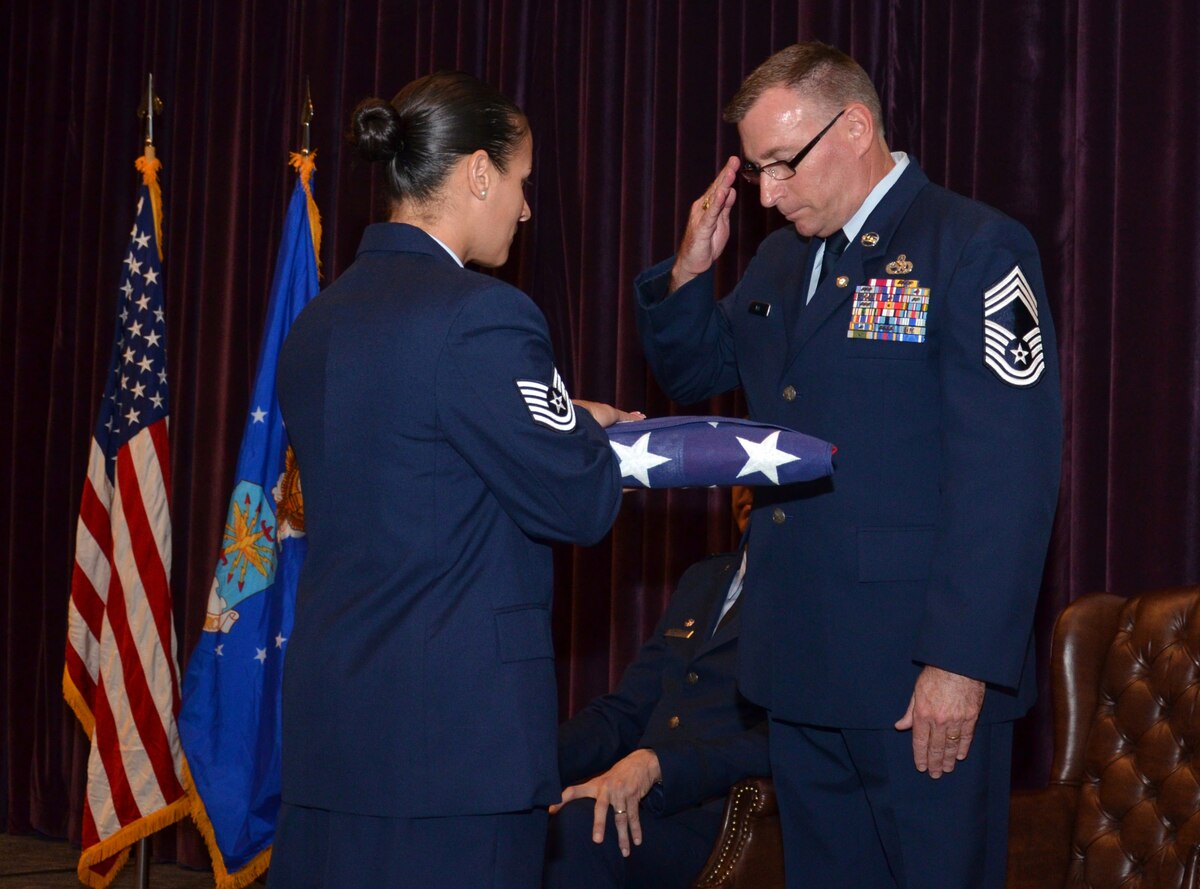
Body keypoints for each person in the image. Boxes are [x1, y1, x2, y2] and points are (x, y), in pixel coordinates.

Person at [633, 42, 1062, 889]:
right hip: (798, 668)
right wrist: (687, 272)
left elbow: (1009, 476)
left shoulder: (971, 247)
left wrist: (962, 662)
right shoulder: (783, 258)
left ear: (856, 126)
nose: (767, 192)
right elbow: (697, 373)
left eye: (781, 164)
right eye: (756, 170)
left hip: (917, 679)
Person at [273, 72, 635, 889]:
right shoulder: (484, 315)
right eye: (522, 182)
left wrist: (555, 419)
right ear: (478, 172)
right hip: (452, 748)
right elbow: (578, 501)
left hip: (336, 727)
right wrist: (582, 431)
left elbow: (417, 452)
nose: (526, 208)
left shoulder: (318, 319)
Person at [544, 486, 767, 889]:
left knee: (579, 830)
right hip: (646, 808)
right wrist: (528, 762)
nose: (748, 488)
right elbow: (625, 712)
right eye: (740, 476)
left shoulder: (804, 597)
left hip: (719, 819)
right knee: (509, 816)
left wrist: (658, 764)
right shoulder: (703, 579)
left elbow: (783, 740)